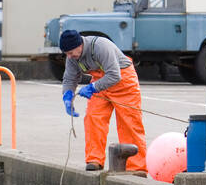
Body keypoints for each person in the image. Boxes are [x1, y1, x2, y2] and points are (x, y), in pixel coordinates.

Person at [59, 28, 147, 174]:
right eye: (66, 53)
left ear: (80, 44)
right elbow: (69, 78)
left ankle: (136, 167)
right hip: (100, 83)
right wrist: (67, 96)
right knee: (93, 118)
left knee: (130, 124)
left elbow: (114, 75)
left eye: (71, 52)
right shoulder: (72, 57)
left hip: (123, 81)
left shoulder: (101, 46)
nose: (69, 56)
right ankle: (94, 159)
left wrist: (92, 88)